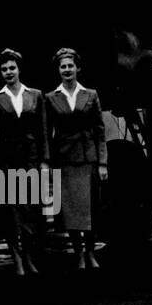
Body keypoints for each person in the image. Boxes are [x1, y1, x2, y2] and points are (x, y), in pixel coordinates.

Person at [0, 48, 48, 277]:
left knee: (31, 214)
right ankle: (17, 258)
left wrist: (44, 161)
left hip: (30, 161)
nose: (8, 72)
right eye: (4, 69)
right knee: (12, 216)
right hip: (7, 163)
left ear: (19, 69)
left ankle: (29, 256)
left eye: (12, 68)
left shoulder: (36, 95)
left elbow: (42, 130)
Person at [45, 47, 108, 269]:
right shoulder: (51, 98)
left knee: (89, 210)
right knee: (71, 213)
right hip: (65, 160)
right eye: (63, 66)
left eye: (70, 65)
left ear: (77, 68)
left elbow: (100, 130)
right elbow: (47, 133)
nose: (67, 70)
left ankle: (90, 253)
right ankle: (79, 254)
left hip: (88, 159)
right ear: (58, 70)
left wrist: (102, 162)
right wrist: (49, 163)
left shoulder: (91, 95)